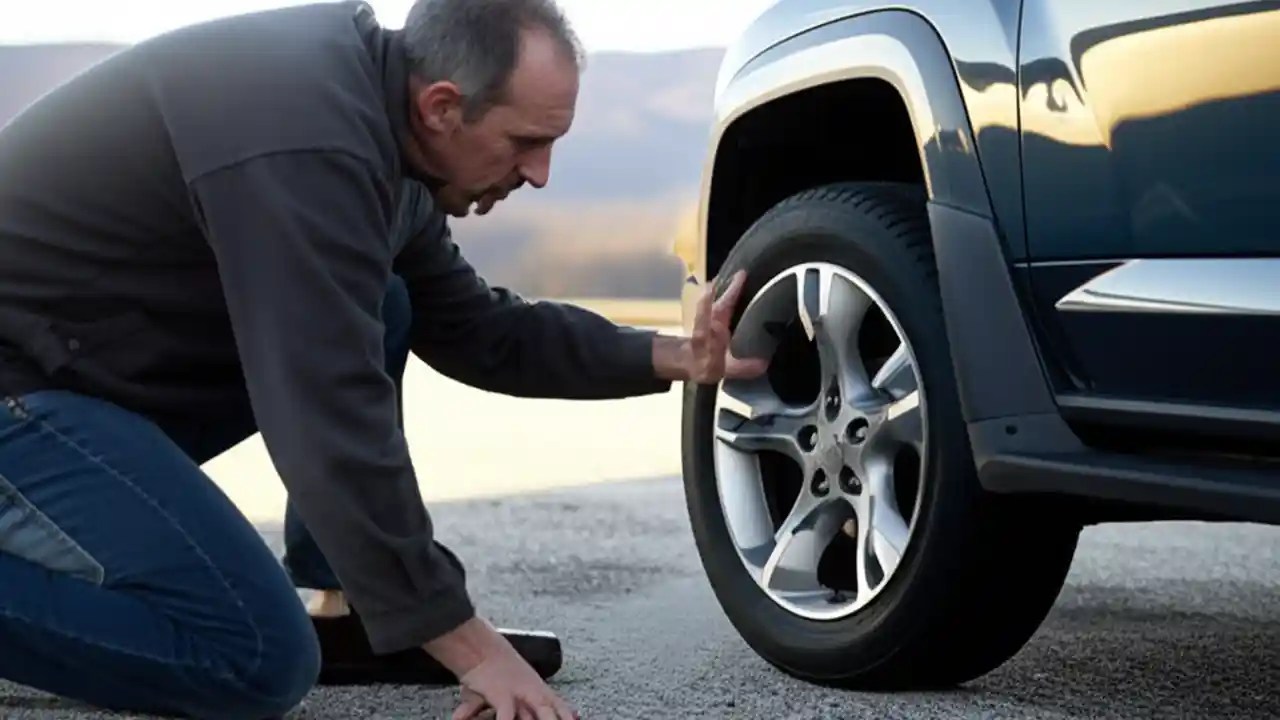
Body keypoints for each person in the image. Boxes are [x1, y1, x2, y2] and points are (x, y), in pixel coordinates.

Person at [0, 0, 768, 718]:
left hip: (73, 379)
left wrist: (671, 355)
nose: (539, 175)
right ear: (441, 106)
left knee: (390, 300)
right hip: (20, 392)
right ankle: (369, 610)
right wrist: (465, 639)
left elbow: (477, 329)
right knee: (252, 653)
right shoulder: (304, 136)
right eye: (527, 142)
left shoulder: (380, 140)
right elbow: (326, 408)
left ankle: (349, 611)